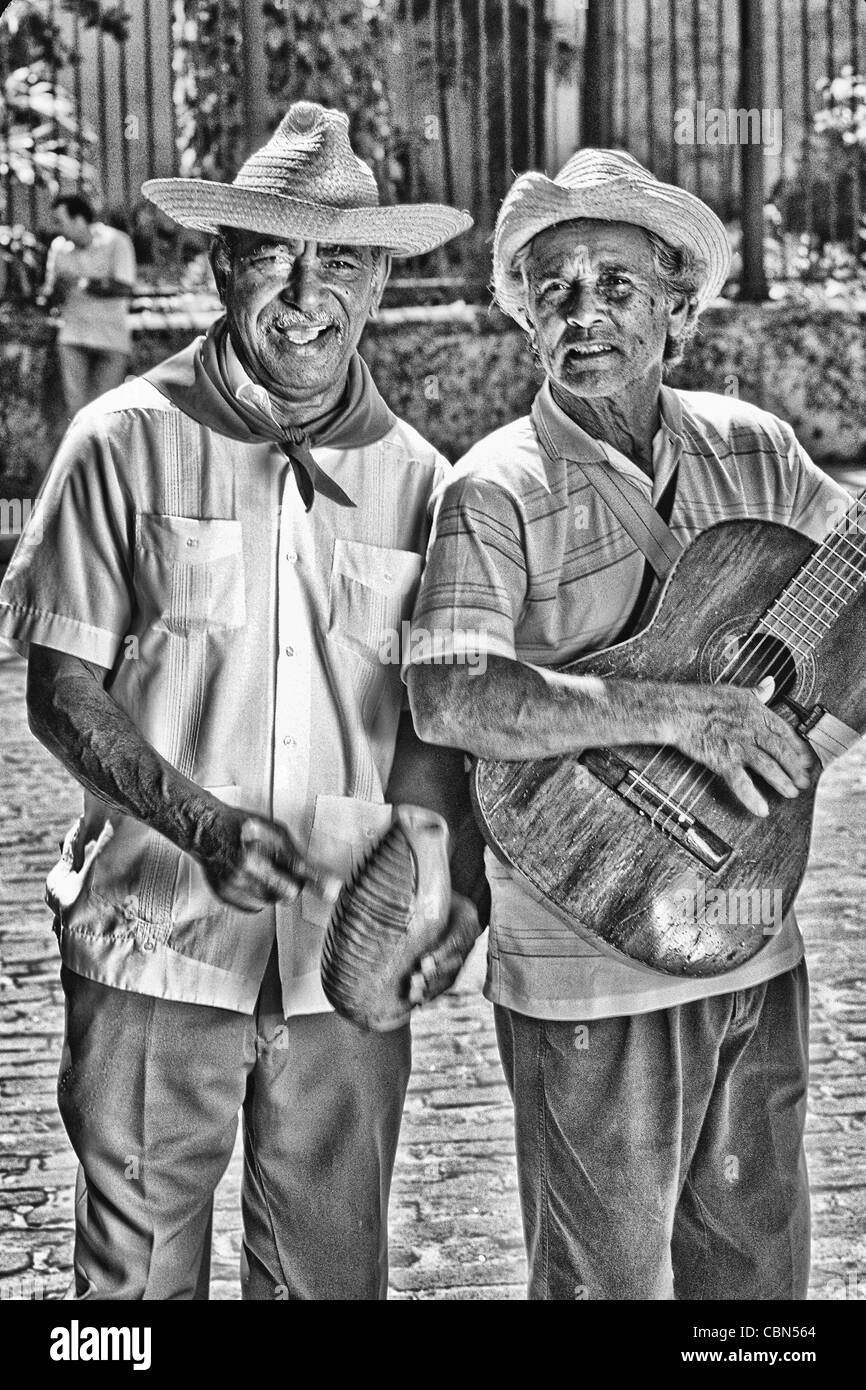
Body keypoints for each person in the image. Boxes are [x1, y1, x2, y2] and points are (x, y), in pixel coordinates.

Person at [0, 102, 472, 1300]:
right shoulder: (120, 442)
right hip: (154, 949)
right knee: (128, 1302)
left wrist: (446, 881)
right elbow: (61, 689)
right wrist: (203, 827)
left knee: (328, 1283)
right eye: (274, 254)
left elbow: (431, 732)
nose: (308, 292)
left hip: (338, 980)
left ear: (379, 282)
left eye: (344, 260)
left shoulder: (421, 482)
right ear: (221, 264)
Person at [406, 149, 853, 1300]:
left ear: (678, 310)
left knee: (757, 1282)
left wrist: (802, 747)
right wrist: (687, 718)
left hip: (750, 925)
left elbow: (856, 614)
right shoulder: (492, 486)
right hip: (580, 962)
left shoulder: (755, 448)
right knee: (600, 1285)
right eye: (552, 289)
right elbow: (450, 694)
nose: (582, 313)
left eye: (614, 285)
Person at [42, 194, 137, 418]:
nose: (57, 229)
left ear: (79, 220)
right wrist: (57, 288)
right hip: (73, 337)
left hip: (111, 338)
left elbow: (125, 287)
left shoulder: (117, 241)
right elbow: (50, 298)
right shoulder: (59, 248)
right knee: (77, 413)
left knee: (107, 412)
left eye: (59, 222)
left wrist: (81, 283)